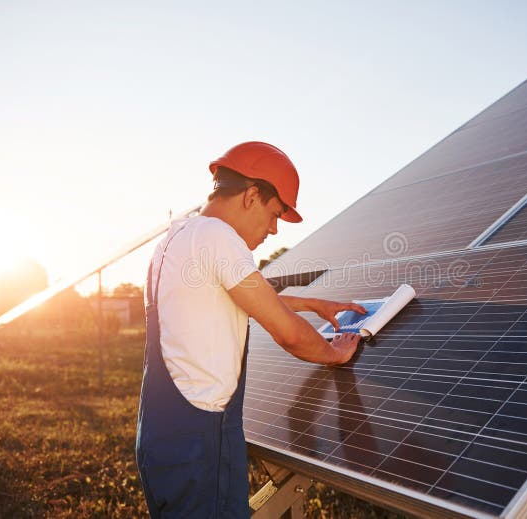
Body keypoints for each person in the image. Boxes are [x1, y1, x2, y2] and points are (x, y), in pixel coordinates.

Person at [135, 141, 365, 518]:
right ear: (252, 195)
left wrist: (313, 304)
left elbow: (233, 299)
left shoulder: (175, 240)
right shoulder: (219, 238)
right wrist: (335, 352)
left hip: (161, 433)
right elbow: (287, 333)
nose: (274, 230)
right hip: (202, 440)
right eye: (274, 214)